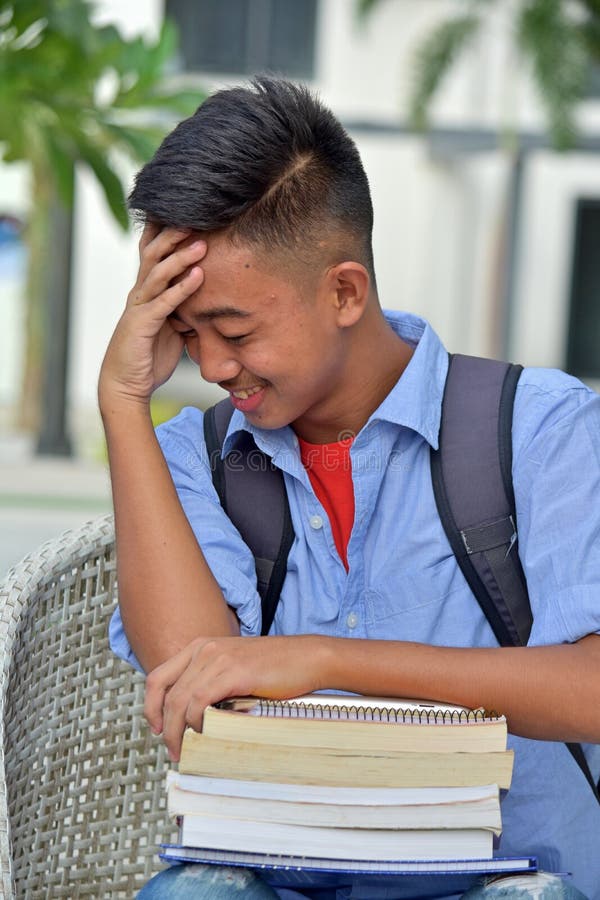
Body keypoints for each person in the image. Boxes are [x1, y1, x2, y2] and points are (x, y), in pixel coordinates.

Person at [98, 77, 600, 900]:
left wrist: (326, 660)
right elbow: (190, 676)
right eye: (186, 335)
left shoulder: (541, 428)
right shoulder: (195, 454)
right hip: (271, 879)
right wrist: (121, 404)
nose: (214, 368)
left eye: (234, 330)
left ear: (344, 291)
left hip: (504, 880)